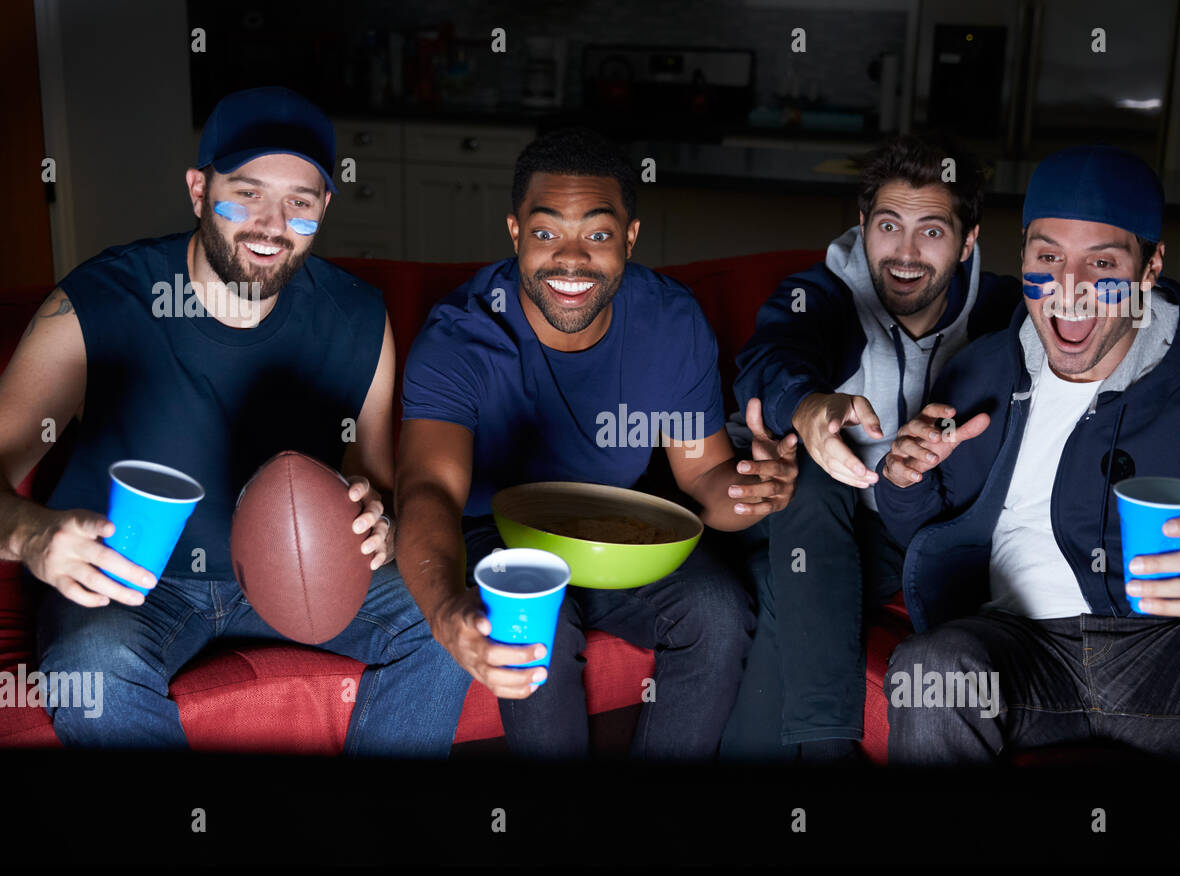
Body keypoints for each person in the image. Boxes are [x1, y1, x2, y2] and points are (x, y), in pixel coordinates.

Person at [0, 86, 468, 755]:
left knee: (446, 625)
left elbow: (376, 479)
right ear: (198, 189)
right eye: (244, 192)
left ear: (323, 209)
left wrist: (380, 521)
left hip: (299, 574)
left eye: (299, 203)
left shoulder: (360, 316)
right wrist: (33, 534)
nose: (271, 224)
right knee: (95, 674)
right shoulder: (96, 302)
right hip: (128, 580)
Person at [877, 145, 1180, 763]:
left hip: (1170, 652)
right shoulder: (980, 372)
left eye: (1101, 262)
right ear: (1022, 255)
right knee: (929, 673)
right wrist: (904, 477)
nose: (1067, 290)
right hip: (1017, 646)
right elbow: (925, 531)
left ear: (1150, 268)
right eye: (1047, 257)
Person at [396, 127, 798, 761]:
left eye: (599, 235)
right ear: (515, 232)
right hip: (494, 534)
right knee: (537, 633)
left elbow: (704, 481)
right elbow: (427, 490)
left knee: (718, 611)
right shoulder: (460, 337)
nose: (571, 259)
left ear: (630, 239)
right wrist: (449, 614)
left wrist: (754, 489)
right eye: (547, 232)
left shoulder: (670, 320)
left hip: (619, 531)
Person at [721, 135, 1020, 760]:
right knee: (814, 479)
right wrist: (810, 411)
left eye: (931, 231)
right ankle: (830, 749)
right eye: (888, 226)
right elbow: (772, 361)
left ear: (967, 241)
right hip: (772, 504)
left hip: (890, 533)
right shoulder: (823, 296)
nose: (905, 254)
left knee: (786, 584)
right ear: (862, 227)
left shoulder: (1002, 315)